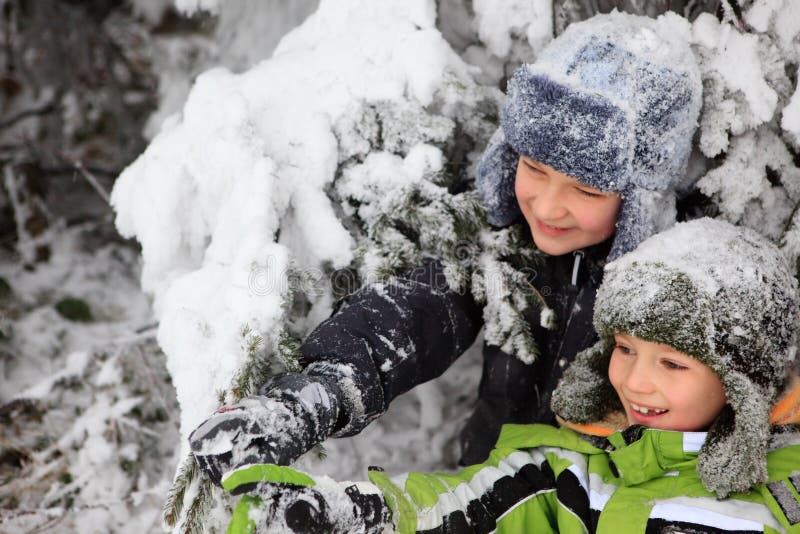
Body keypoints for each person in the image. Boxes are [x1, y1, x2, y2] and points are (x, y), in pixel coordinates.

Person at [188, 11, 704, 485]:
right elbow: (416, 308)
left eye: (587, 190)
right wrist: (321, 393)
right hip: (488, 488)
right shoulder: (505, 241)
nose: (547, 208)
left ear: (642, 200)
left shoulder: (672, 290)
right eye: (534, 169)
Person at [221, 218, 800, 533]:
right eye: (624, 349)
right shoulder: (575, 468)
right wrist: (342, 513)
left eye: (672, 363)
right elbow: (458, 508)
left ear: (740, 381)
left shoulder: (783, 495)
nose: (637, 382)